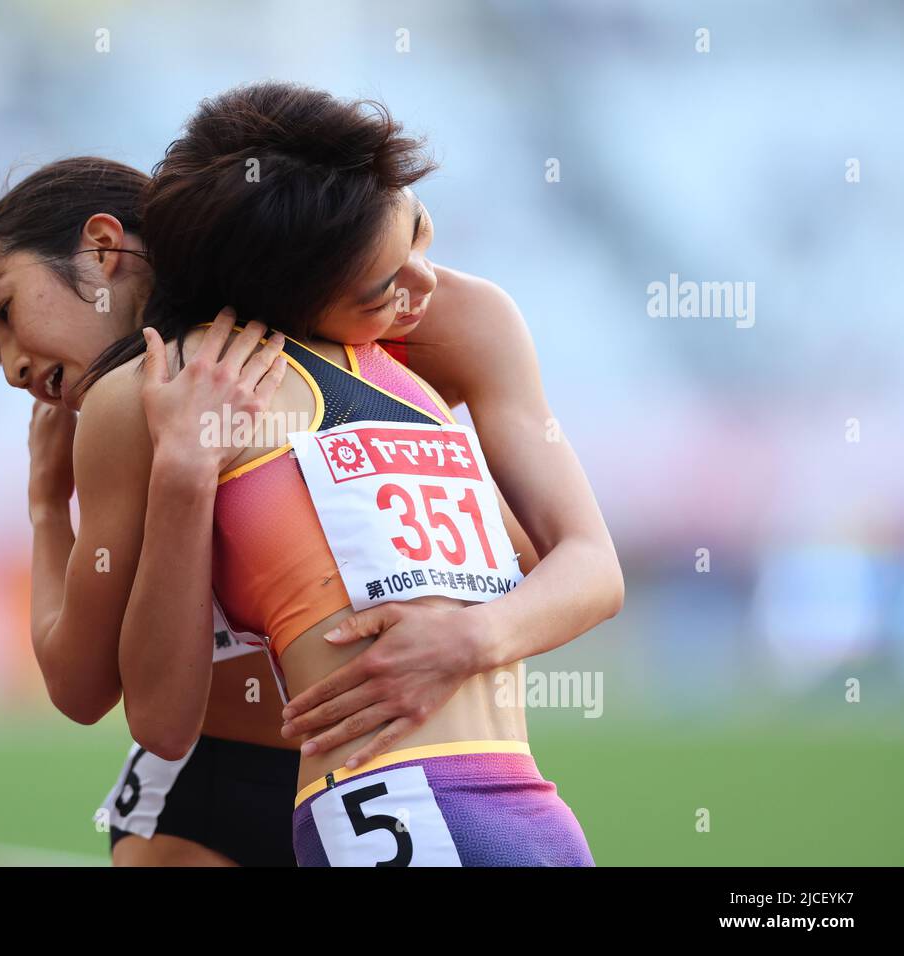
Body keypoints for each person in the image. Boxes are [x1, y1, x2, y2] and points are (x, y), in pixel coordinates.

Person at [71, 81, 622, 865]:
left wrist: (473, 637)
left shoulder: (426, 364)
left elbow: (595, 568)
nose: (425, 287)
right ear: (294, 293)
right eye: (384, 285)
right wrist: (184, 477)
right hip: (392, 816)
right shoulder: (153, 397)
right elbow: (159, 722)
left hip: (532, 806)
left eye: (421, 238)